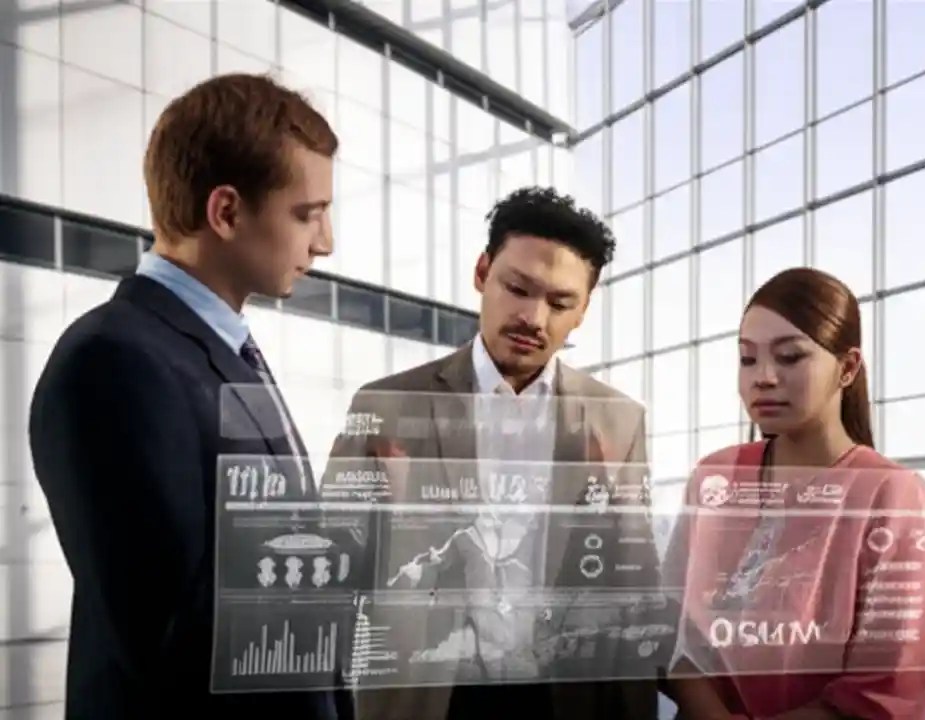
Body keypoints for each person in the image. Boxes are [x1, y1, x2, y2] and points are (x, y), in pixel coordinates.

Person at [28, 74, 351, 718]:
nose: (326, 242)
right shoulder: (114, 362)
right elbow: (175, 635)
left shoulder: (218, 354)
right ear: (226, 212)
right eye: (307, 214)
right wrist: (355, 541)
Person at [327, 187, 661, 720]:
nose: (533, 317)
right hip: (428, 697)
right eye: (517, 288)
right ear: (482, 272)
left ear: (584, 310)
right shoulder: (387, 406)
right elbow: (335, 570)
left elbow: (634, 583)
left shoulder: (617, 419)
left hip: (562, 698)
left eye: (559, 302)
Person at [664, 268, 925, 720]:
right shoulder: (714, 477)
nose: (763, 377)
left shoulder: (892, 496)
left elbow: (887, 686)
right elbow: (671, 625)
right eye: (747, 359)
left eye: (790, 357)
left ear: (848, 368)